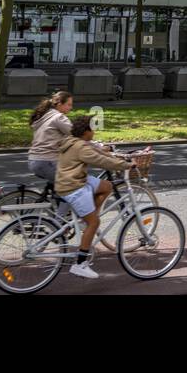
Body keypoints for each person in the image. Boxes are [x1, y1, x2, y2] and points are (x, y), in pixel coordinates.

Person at [55, 115, 138, 279]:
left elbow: (100, 153)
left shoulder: (74, 141)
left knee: (107, 186)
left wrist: (118, 157)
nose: (94, 132)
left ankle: (86, 219)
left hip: (72, 180)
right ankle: (80, 264)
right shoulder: (81, 148)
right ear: (86, 132)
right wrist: (127, 165)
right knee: (94, 222)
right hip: (73, 187)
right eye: (92, 129)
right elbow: (102, 161)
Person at [27, 91, 73, 184]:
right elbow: (78, 134)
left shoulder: (45, 115)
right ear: (60, 104)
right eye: (69, 104)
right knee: (75, 181)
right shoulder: (58, 117)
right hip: (48, 162)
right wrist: (98, 146)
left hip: (34, 160)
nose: (71, 108)